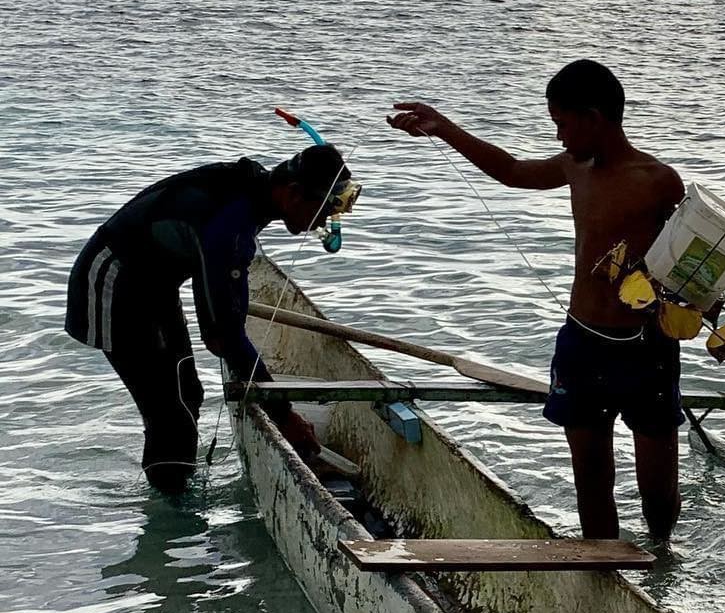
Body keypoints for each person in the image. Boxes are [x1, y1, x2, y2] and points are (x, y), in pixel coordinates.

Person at [388, 60, 686, 540]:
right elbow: (510, 171)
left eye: (562, 124)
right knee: (592, 482)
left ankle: (662, 565)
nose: (559, 138)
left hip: (646, 348)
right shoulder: (574, 167)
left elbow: (693, 264)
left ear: (594, 118)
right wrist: (444, 129)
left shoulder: (660, 181)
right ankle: (603, 582)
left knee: (658, 495)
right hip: (583, 343)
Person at [65, 145, 357, 493]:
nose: (323, 222)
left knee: (188, 393)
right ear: (293, 193)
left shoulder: (255, 192)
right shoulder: (231, 224)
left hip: (155, 285)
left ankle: (176, 495)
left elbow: (223, 309)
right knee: (169, 415)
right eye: (323, 210)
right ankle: (172, 516)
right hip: (112, 281)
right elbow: (221, 336)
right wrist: (284, 414)